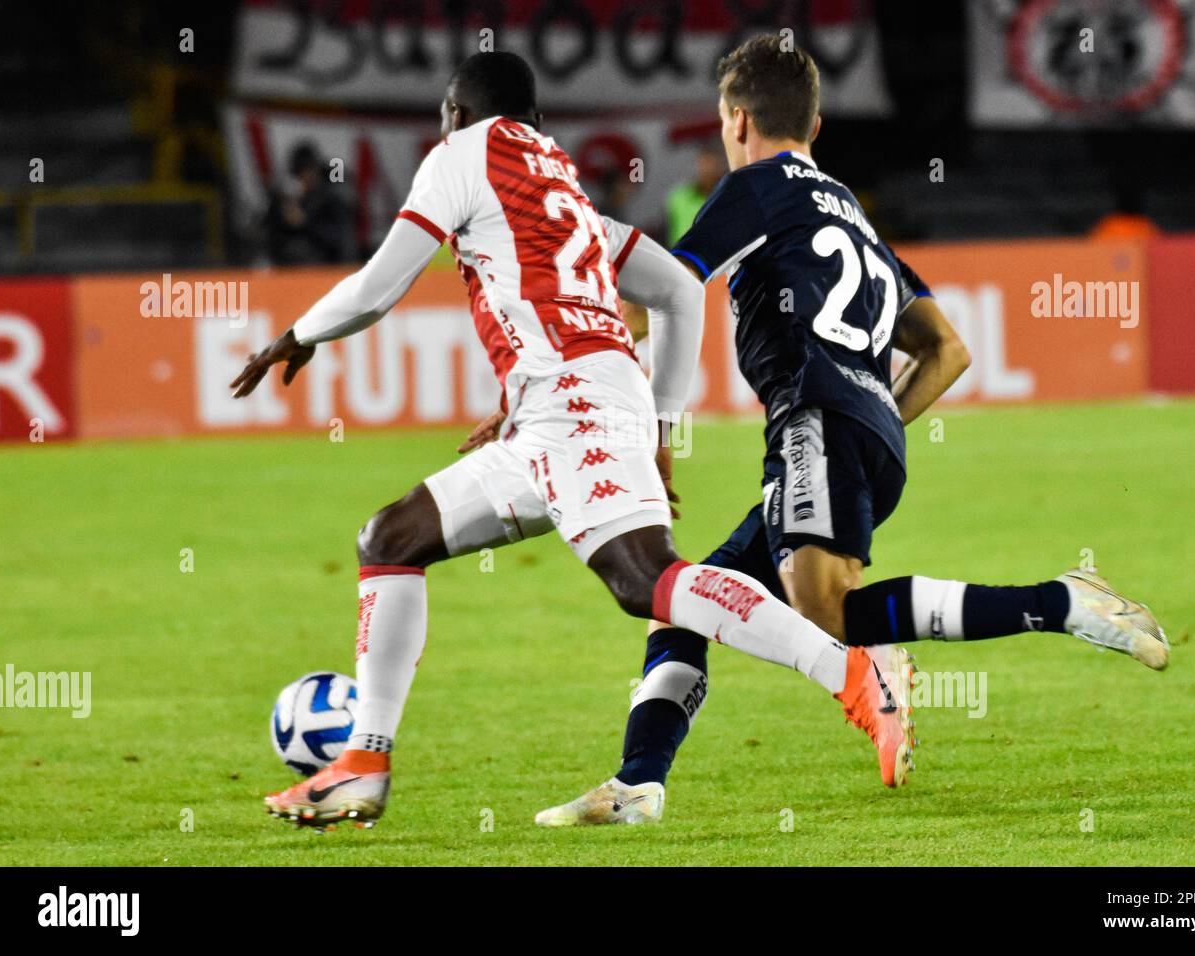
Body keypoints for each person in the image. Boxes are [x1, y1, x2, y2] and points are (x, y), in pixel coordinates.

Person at [230, 50, 908, 830]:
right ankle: (363, 764)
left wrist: (297, 333)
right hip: (557, 410)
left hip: (572, 405)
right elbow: (679, 291)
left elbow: (381, 285)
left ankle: (848, 672)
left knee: (644, 581)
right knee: (390, 537)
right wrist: (657, 426)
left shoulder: (460, 154)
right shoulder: (560, 187)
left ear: (457, 112)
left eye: (448, 113)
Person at [535, 35, 1170, 827]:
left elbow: (662, 291)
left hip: (814, 421)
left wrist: (565, 372)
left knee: (823, 612)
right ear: (817, 121)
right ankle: (638, 783)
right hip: (867, 433)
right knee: (691, 602)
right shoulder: (852, 215)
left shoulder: (758, 186)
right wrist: (872, 415)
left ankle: (1059, 601)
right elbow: (949, 349)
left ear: (735, 119)